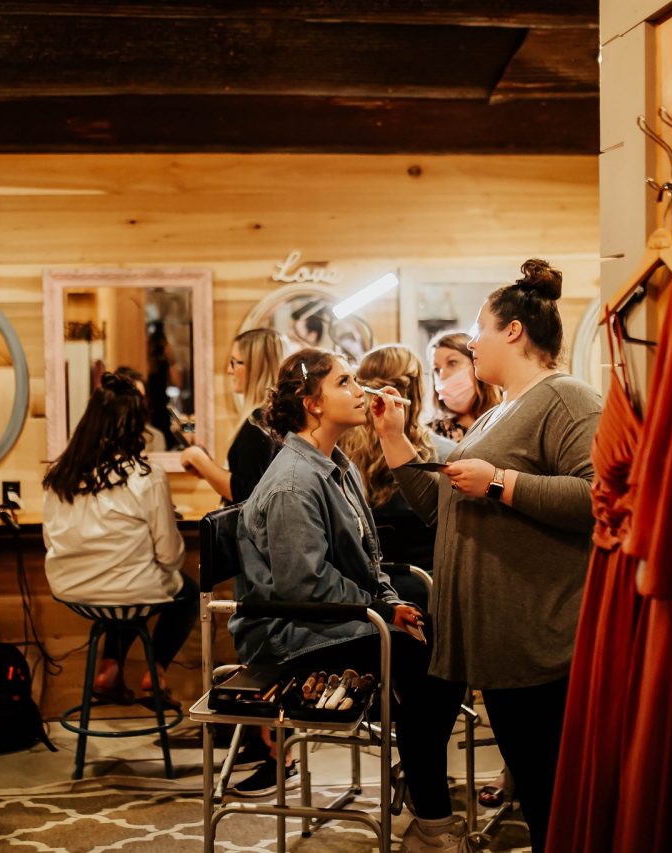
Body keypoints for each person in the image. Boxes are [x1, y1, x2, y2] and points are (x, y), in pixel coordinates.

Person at [373, 260, 602, 853]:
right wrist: (396, 439)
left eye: (481, 327)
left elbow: (600, 496)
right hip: (500, 639)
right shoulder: (503, 409)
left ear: (516, 332)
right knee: (536, 780)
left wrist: (501, 482)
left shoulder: (567, 398)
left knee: (553, 791)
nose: (473, 341)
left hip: (540, 635)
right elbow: (443, 508)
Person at [231, 348, 472, 850]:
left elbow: (370, 559)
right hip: (289, 634)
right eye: (346, 383)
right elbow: (304, 586)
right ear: (313, 402)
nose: (361, 392)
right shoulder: (293, 484)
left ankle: (422, 783)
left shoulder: (337, 465)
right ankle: (430, 820)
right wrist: (382, 610)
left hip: (332, 618)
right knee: (430, 661)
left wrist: (389, 602)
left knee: (440, 640)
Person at [41, 373, 198, 706]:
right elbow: (169, 556)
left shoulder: (58, 475)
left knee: (128, 580)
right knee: (179, 590)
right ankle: (155, 673)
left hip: (70, 588)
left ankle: (109, 671)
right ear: (136, 427)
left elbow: (50, 539)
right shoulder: (146, 477)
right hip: (127, 587)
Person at [339, 344, 454, 593]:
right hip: (425, 587)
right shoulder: (443, 454)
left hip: (357, 589)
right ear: (415, 390)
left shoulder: (338, 453)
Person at [179, 328, 285, 504]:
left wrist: (198, 458)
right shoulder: (272, 418)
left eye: (235, 362)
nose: (229, 370)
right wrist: (208, 469)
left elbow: (245, 493)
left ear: (256, 366)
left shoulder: (259, 422)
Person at [427, 331, 499, 442]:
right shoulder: (431, 434)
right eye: (436, 369)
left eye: (452, 363)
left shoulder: (504, 417)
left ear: (475, 363)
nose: (442, 375)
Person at [114, 365, 169, 452]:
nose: (140, 403)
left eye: (142, 398)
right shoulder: (104, 437)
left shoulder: (155, 437)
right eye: (135, 398)